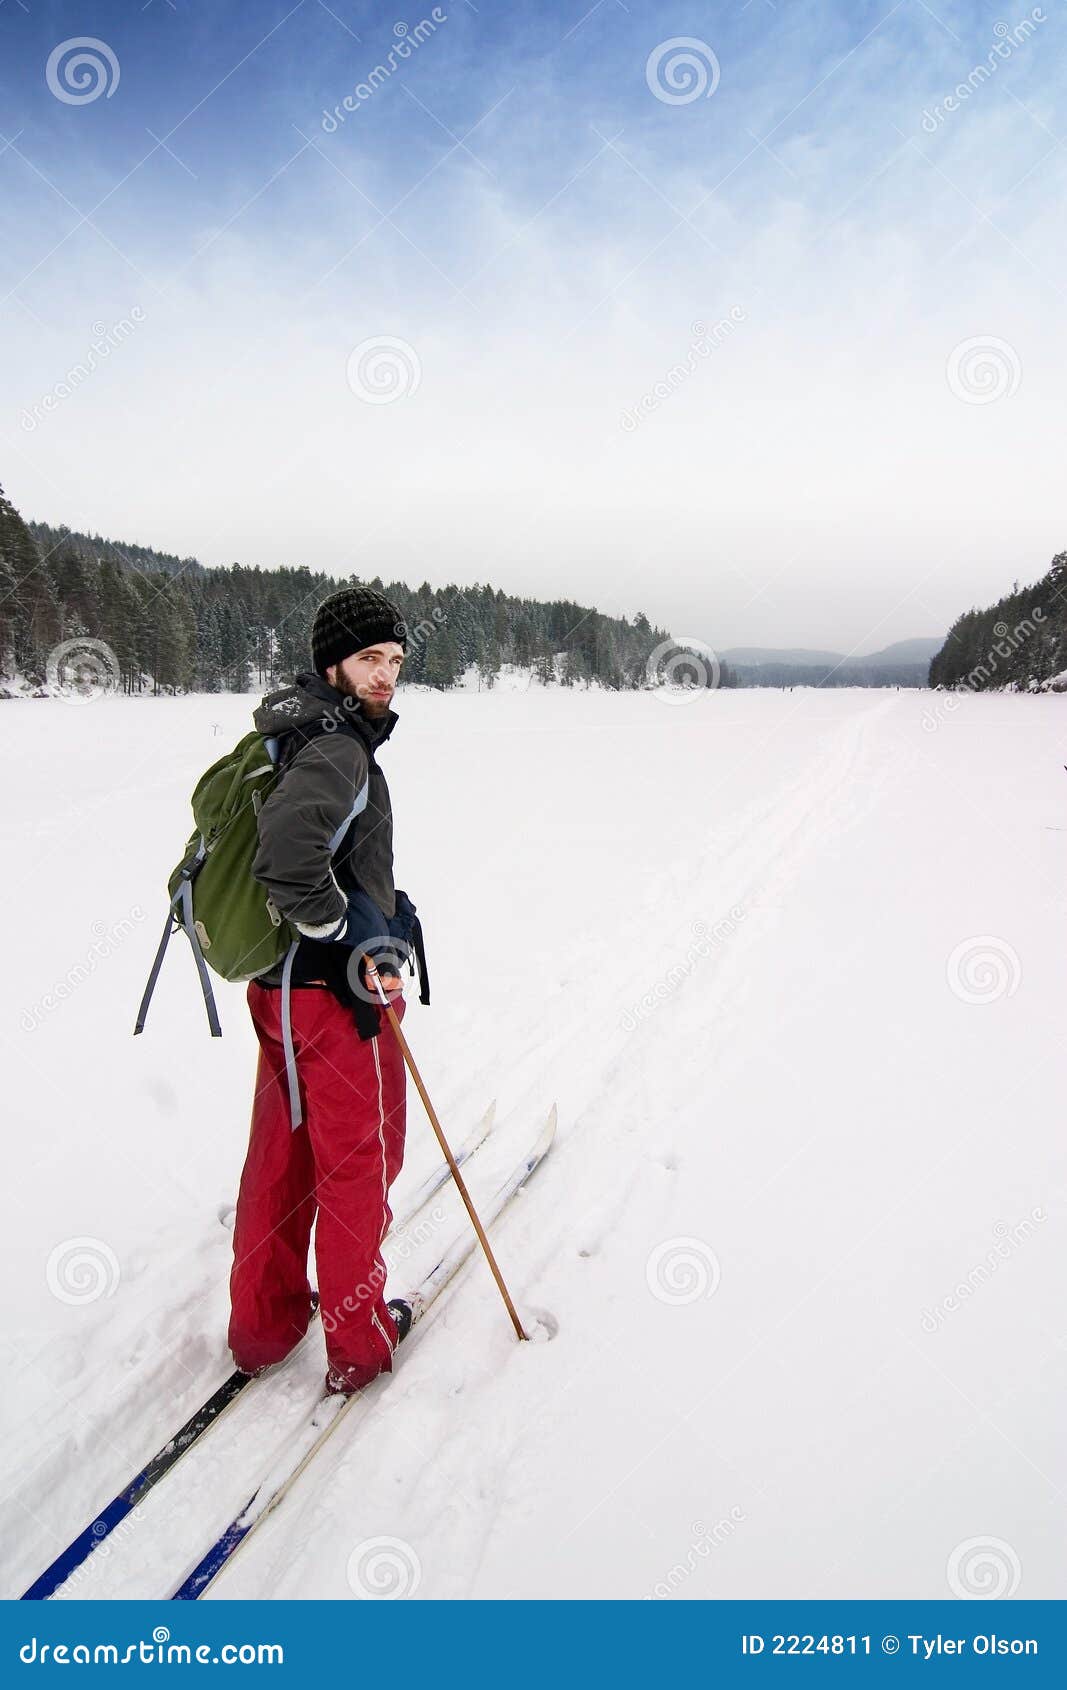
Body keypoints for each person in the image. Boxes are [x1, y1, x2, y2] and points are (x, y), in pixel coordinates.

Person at [227, 586, 417, 1395]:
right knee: (357, 1163)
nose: (385, 675)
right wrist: (346, 933)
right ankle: (359, 1343)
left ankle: (262, 1327)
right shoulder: (337, 747)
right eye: (369, 657)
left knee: (281, 1157)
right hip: (335, 998)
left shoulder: (290, 728)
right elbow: (287, 858)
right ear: (331, 662)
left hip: (278, 991)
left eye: (395, 660)